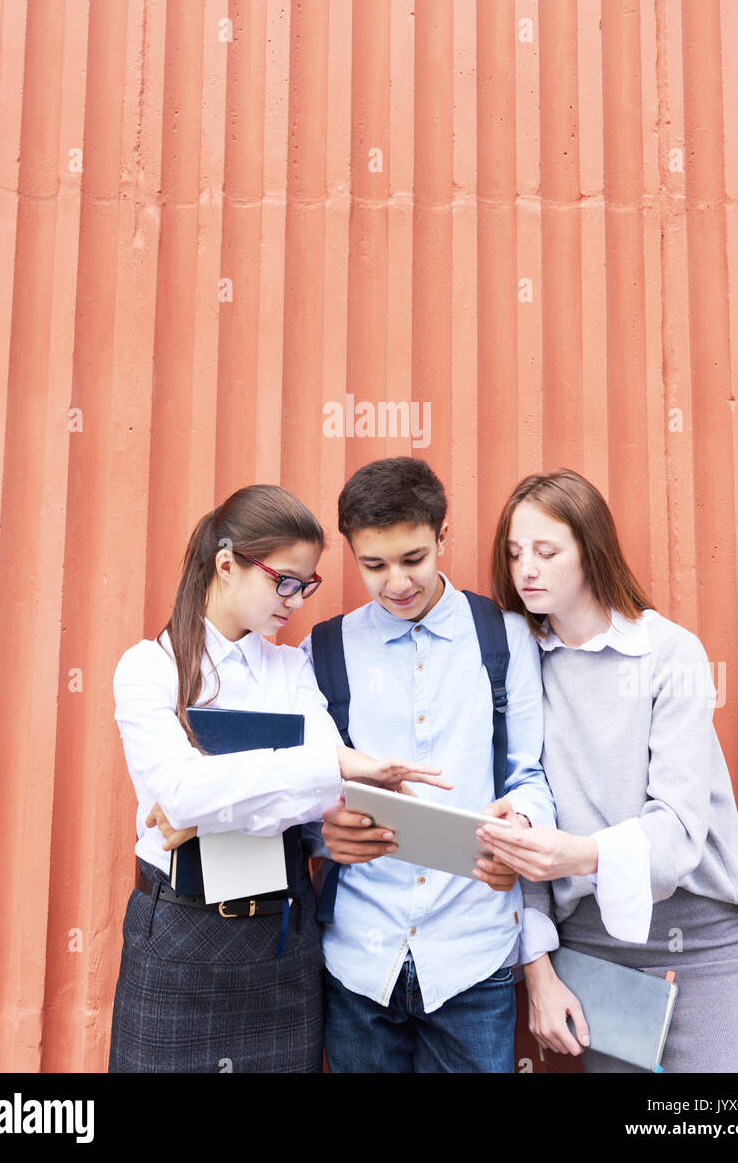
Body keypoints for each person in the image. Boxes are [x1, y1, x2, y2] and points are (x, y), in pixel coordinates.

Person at [108, 484, 448, 1074]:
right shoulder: (149, 669)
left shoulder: (293, 669)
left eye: (306, 584)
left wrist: (212, 811)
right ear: (225, 564)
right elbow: (185, 792)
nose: (295, 600)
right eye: (283, 580)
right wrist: (325, 768)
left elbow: (322, 804)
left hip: (282, 943)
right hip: (179, 938)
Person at [475, 468, 738, 1073]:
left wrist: (578, 854)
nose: (525, 569)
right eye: (514, 553)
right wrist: (538, 974)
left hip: (699, 938)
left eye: (546, 551)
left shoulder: (670, 653)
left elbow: (679, 828)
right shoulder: (518, 666)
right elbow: (523, 818)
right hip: (591, 951)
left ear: (591, 549)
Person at [304, 456, 556, 1074]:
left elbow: (530, 776)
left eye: (413, 559)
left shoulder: (506, 637)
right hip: (359, 958)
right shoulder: (324, 649)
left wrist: (518, 829)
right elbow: (308, 789)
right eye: (374, 565)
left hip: (472, 952)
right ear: (350, 552)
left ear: (444, 538)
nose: (396, 583)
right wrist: (322, 833)